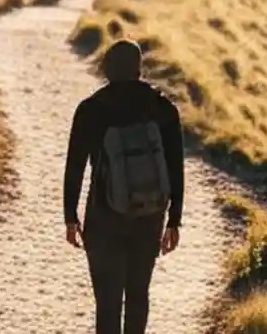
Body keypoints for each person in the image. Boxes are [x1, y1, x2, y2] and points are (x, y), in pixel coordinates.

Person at [64, 40, 184, 334]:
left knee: (107, 303)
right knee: (138, 295)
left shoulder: (91, 109)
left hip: (103, 217)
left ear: (107, 69)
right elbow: (175, 168)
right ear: (139, 69)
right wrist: (174, 219)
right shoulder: (163, 108)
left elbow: (75, 166)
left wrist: (70, 216)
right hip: (149, 216)